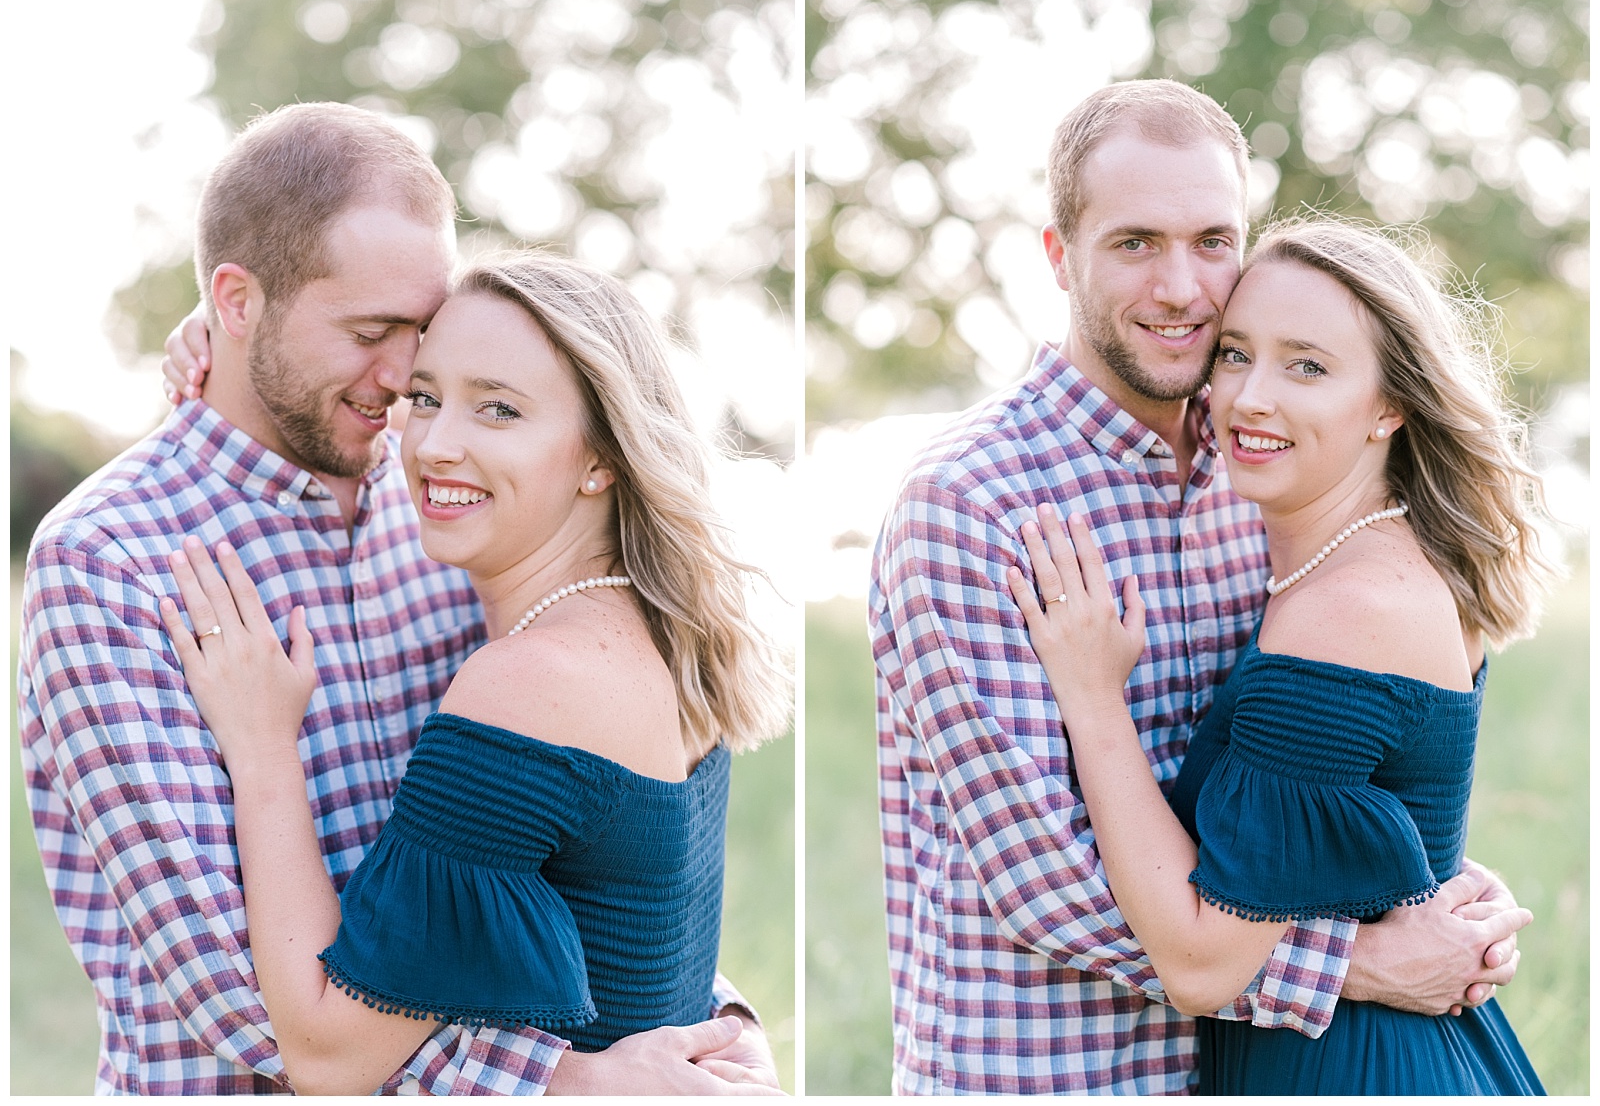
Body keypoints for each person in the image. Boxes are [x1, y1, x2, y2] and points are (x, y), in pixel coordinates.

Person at [19, 101, 781, 1095]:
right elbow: (246, 1001)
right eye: (370, 333)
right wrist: (562, 1081)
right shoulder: (115, 561)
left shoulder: (449, 513)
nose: (401, 387)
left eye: (418, 337)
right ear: (236, 303)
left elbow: (552, 852)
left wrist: (704, 1018)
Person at [867, 79, 1530, 1094]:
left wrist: (1428, 886)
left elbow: (1322, 782)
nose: (1181, 287)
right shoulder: (975, 506)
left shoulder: (1260, 478)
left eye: (1212, 241)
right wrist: (1362, 963)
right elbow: (1049, 882)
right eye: (1135, 243)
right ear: (1059, 256)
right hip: (1055, 1073)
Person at [158, 249, 792, 1095]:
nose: (435, 444)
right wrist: (230, 338)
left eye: (499, 409)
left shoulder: (529, 683)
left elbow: (325, 1053)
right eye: (423, 396)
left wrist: (264, 742)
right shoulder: (664, 625)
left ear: (602, 456)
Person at [1010, 216, 1551, 1093]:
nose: (1251, 396)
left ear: (1389, 404)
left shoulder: (1342, 609)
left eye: (1307, 365)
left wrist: (1093, 694)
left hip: (1350, 1069)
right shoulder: (1377, 561)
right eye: (1234, 353)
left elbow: (1197, 962)